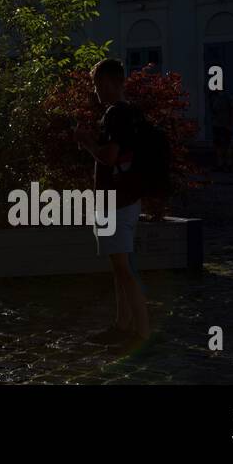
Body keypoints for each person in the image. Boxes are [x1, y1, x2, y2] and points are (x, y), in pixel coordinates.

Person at [75, 58, 149, 348]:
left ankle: (140, 332)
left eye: (97, 85)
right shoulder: (131, 112)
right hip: (128, 198)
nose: (95, 91)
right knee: (121, 266)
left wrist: (85, 142)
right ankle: (123, 324)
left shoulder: (114, 114)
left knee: (122, 269)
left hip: (115, 202)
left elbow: (108, 157)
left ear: (108, 83)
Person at [209, 86, 233, 172]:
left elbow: (214, 109)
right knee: (225, 146)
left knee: (221, 146)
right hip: (224, 125)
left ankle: (223, 165)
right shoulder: (228, 97)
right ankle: (227, 165)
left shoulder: (219, 98)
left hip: (221, 125)